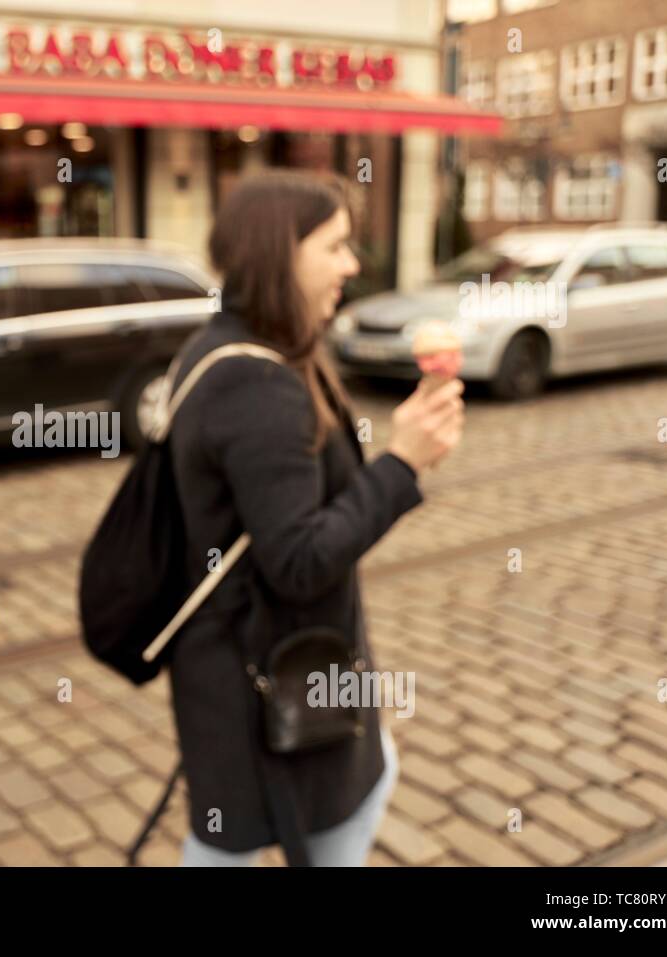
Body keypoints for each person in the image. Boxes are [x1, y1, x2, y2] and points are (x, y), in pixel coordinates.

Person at [166, 170, 464, 866]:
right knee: (282, 832)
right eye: (335, 246)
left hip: (254, 670)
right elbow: (298, 559)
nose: (352, 264)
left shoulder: (233, 344)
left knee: (248, 832)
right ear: (282, 252)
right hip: (273, 678)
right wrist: (403, 463)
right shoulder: (260, 381)